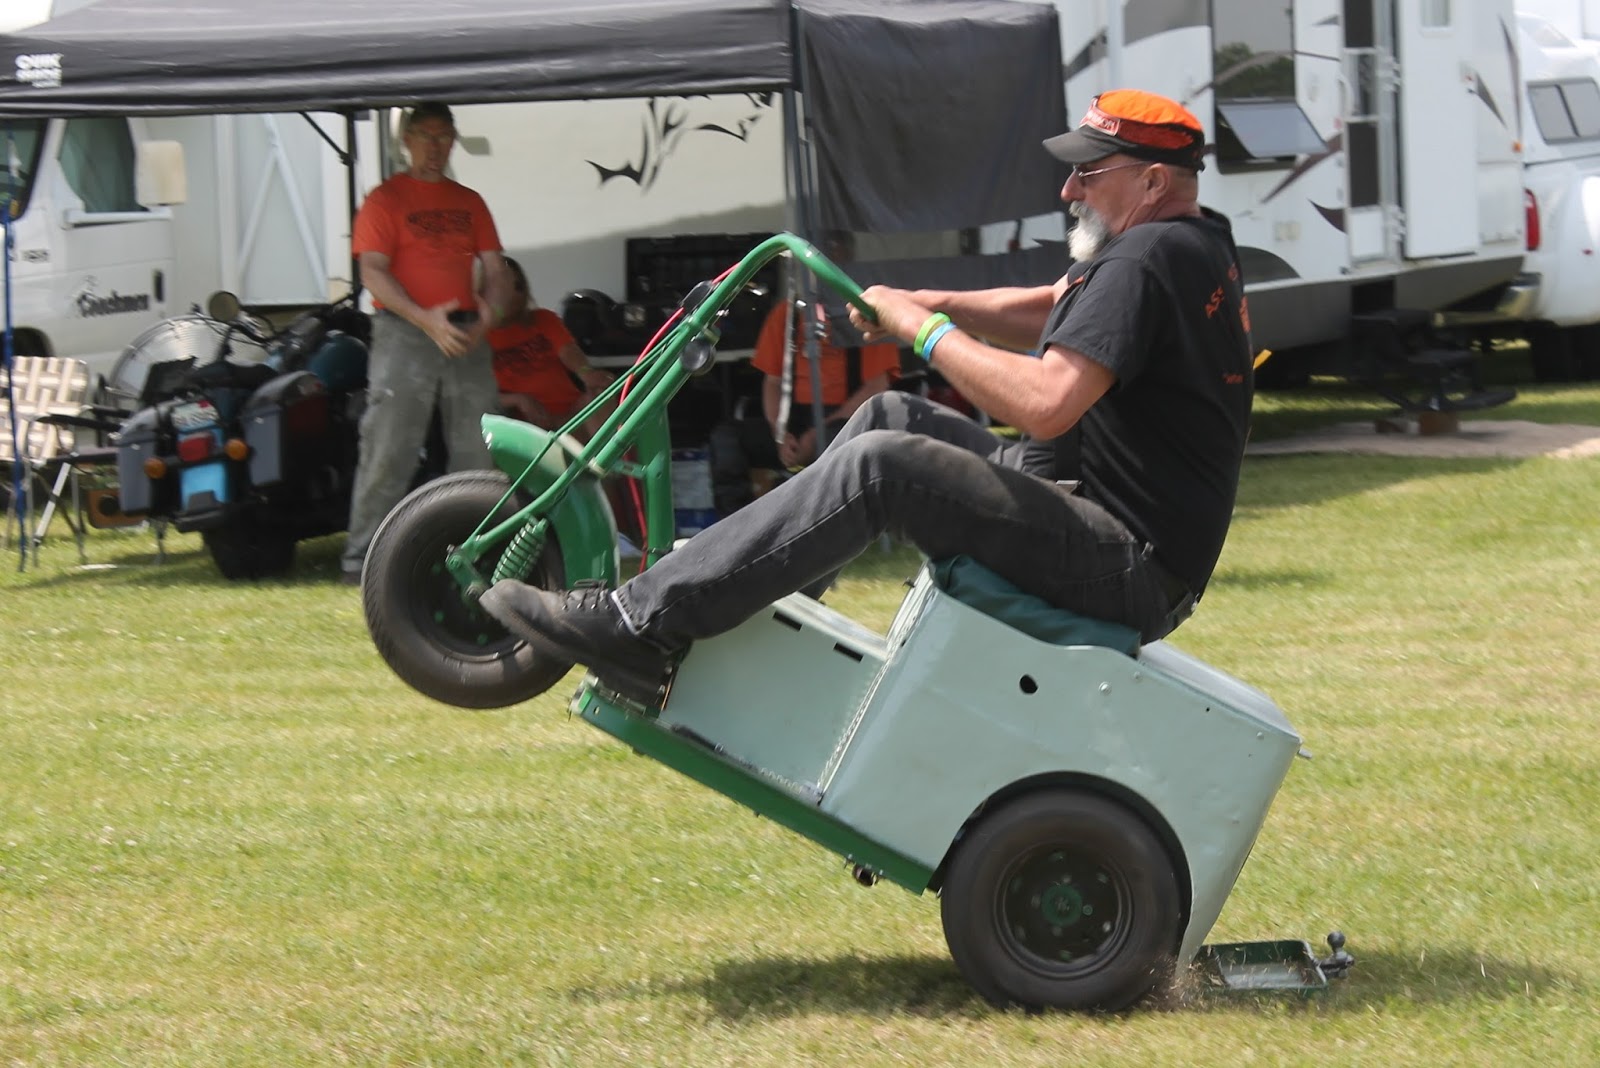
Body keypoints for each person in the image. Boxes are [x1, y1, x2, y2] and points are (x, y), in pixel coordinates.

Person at [479, 89, 1254, 705]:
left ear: (1152, 180)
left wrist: (918, 330)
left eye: (1089, 172)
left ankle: (635, 624)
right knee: (885, 417)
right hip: (1110, 527)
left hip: (1124, 559)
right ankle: (751, 627)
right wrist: (927, 298)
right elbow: (1056, 303)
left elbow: (1048, 402)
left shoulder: (1146, 258)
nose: (1067, 187)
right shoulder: (1190, 242)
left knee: (881, 466)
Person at [340, 101, 514, 585]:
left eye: (443, 137)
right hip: (404, 332)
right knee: (390, 445)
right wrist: (424, 319)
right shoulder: (385, 200)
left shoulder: (469, 201)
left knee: (478, 447)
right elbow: (372, 271)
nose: (434, 147)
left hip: (463, 331)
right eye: (425, 136)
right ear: (407, 140)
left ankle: (477, 552)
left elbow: (497, 271)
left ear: (454, 140)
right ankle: (362, 561)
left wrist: (489, 316)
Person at [710, 285, 900, 514]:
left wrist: (819, 432)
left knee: (831, 444)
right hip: (793, 419)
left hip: (848, 420)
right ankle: (735, 524)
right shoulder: (786, 315)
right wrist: (779, 433)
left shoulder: (864, 314)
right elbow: (773, 382)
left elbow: (876, 386)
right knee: (726, 437)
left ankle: (819, 520)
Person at [488, 257, 615, 440]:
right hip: (527, 424)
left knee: (602, 393)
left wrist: (586, 372)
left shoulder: (542, 319)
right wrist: (517, 399)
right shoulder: (475, 338)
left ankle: (608, 463)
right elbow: (471, 394)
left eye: (516, 285)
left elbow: (568, 351)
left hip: (571, 414)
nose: (511, 293)